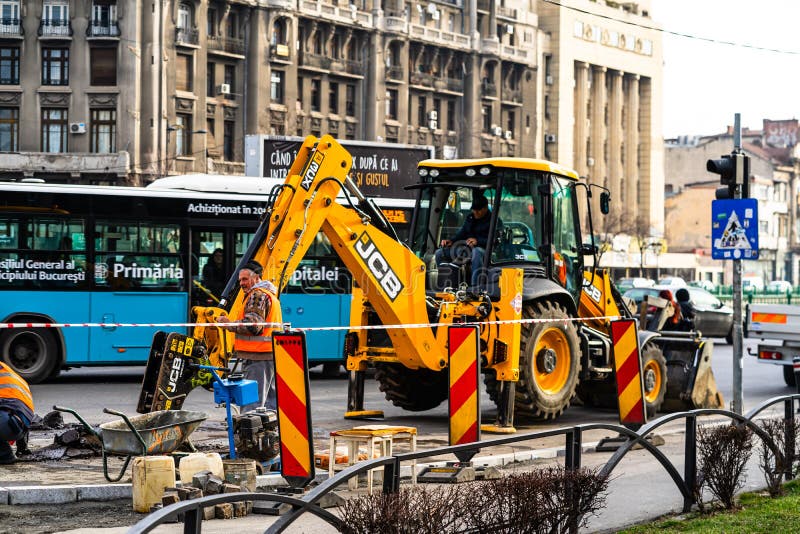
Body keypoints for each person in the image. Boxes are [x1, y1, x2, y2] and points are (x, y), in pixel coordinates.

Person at [215, 260, 282, 413]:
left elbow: (253, 326)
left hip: (258, 356)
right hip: (267, 355)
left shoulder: (256, 295)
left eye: (245, 279)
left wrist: (228, 324)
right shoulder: (269, 294)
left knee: (252, 403)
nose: (242, 283)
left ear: (256, 277)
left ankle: (248, 435)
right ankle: (269, 434)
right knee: (270, 404)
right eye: (240, 280)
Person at [435, 194, 494, 286]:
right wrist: (451, 241)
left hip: (484, 250)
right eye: (474, 209)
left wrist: (477, 241)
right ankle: (444, 282)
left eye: (478, 210)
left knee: (476, 252)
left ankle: (475, 286)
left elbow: (495, 241)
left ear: (485, 208)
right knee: (439, 253)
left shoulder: (494, 221)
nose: (475, 212)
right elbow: (462, 232)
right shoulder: (470, 218)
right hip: (466, 249)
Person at [0, 361, 34, 465]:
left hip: (9, 422)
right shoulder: (5, 368)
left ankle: (5, 455)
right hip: (21, 424)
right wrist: (22, 447)